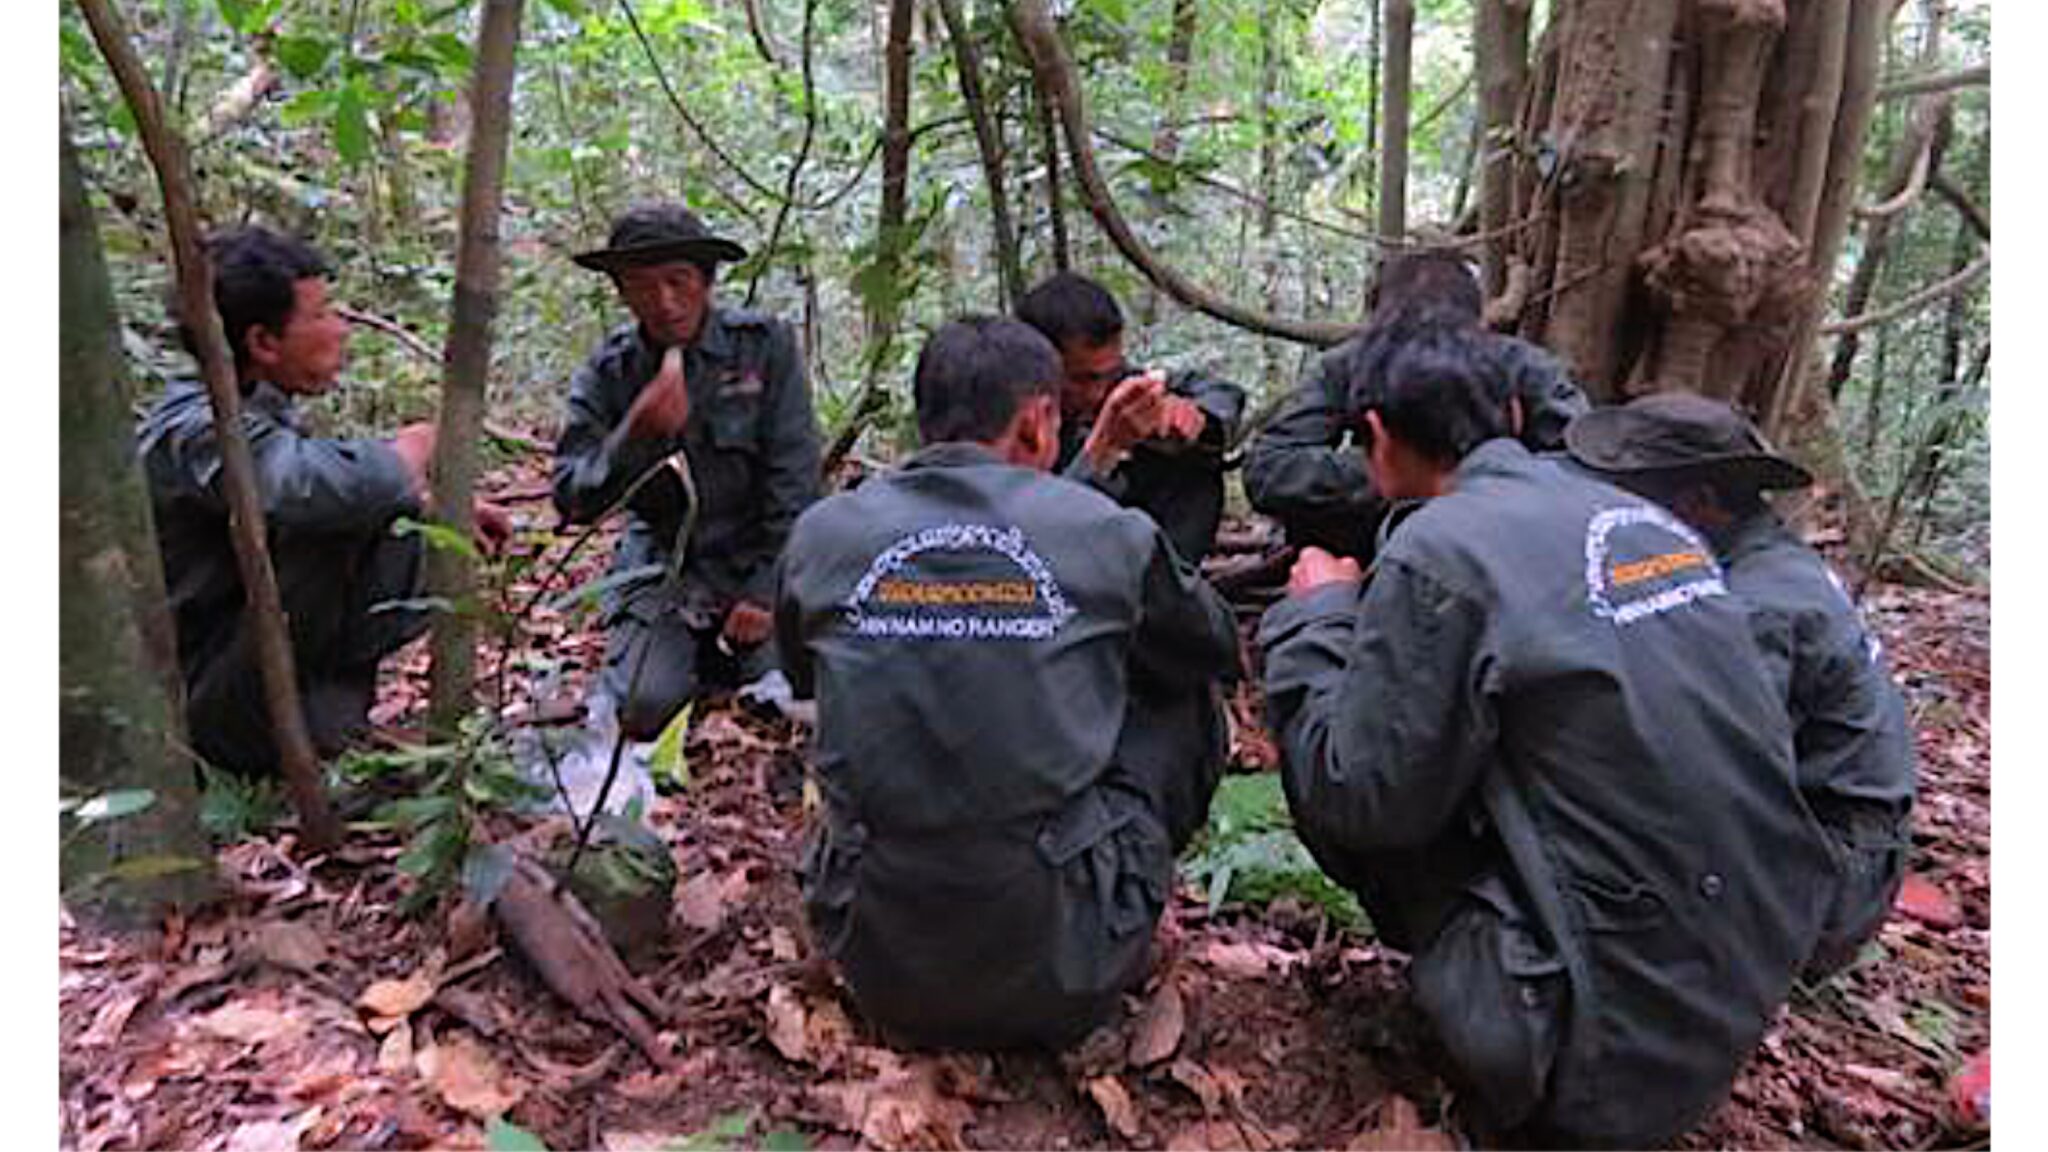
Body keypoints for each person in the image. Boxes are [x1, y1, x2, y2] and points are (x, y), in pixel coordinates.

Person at [1257, 323, 1836, 1146]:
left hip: (1596, 1063)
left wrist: (1314, 620)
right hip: (1734, 992)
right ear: (1519, 410)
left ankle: (1503, 1024)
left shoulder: (1441, 547)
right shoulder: (1647, 520)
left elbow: (1362, 798)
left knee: (1365, 769)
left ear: (1376, 438)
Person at [775, 317, 1240, 1049]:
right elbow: (1212, 645)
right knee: (1185, 695)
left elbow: (804, 675)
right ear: (1037, 423)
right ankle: (1115, 902)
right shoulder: (1107, 531)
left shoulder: (823, 533)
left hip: (874, 953)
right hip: (1065, 965)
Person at [1565, 392, 1917, 979]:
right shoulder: (1765, 561)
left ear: (1699, 504)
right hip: (1842, 853)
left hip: (1829, 880)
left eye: (1634, 500)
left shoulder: (1756, 607)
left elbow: (1700, 767)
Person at [139, 226, 510, 776]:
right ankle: (267, 744)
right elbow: (298, 488)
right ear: (263, 343)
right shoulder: (195, 425)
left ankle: (321, 725)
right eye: (322, 315)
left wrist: (427, 507)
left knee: (377, 511)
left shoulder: (249, 408)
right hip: (195, 702)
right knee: (343, 515)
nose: (342, 329)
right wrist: (412, 450)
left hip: (245, 673)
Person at [553, 204, 820, 740]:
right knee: (642, 708)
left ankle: (736, 654)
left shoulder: (763, 348)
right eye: (642, 286)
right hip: (662, 570)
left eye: (678, 281)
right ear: (621, 292)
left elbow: (795, 480)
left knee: (790, 697)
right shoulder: (611, 372)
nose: (664, 302)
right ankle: (688, 656)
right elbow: (571, 497)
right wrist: (635, 432)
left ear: (707, 281)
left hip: (756, 561)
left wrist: (766, 588)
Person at [1244, 249, 1588, 561]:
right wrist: (1399, 470)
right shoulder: (1347, 365)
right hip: (1373, 554)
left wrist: (1479, 476)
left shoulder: (1517, 365)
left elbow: (1586, 463)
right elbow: (1270, 468)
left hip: (1504, 544)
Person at [1016, 272, 1246, 565]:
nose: (1099, 392)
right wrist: (1101, 451)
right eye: (1081, 379)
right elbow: (1033, 526)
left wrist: (1196, 418)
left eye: (1108, 374)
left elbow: (1219, 393)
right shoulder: (1004, 419)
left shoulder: (1125, 387)